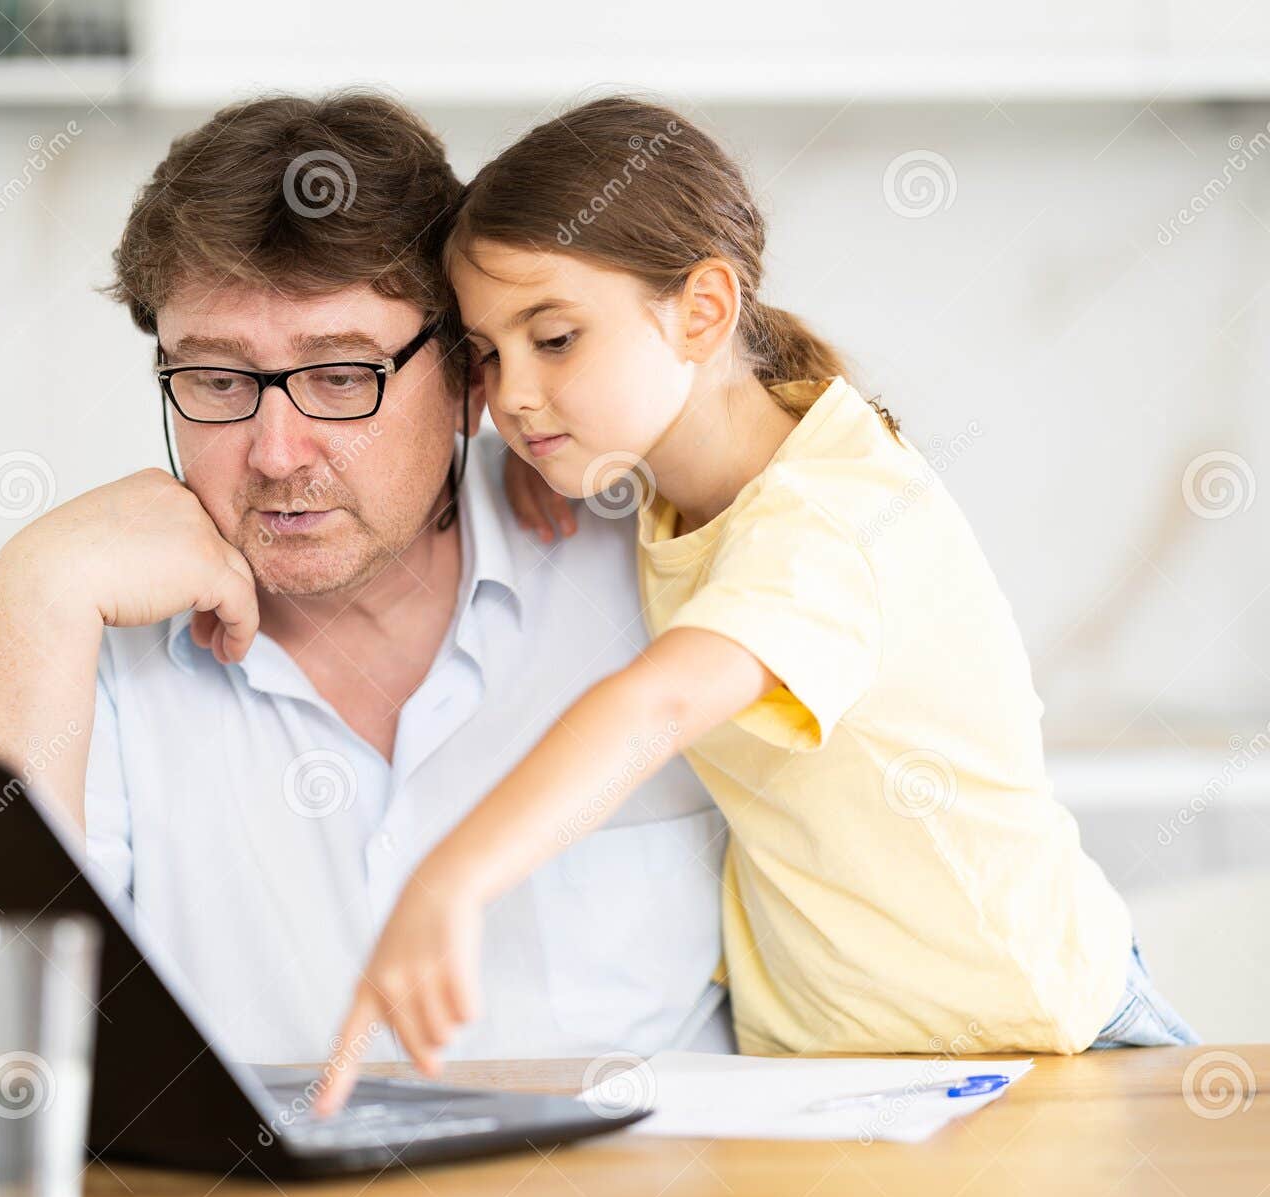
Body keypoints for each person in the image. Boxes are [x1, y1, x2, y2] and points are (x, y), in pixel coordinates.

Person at [316, 96, 1197, 1113]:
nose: (510, 395)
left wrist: (450, 880)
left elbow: (655, 705)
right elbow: (589, 423)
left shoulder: (826, 520)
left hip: (1032, 1046)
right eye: (488, 355)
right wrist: (557, 451)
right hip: (843, 1071)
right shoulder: (674, 464)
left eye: (553, 339)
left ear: (700, 311)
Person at [0, 92, 733, 1067]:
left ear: (471, 378)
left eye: (341, 375)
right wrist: (34, 584)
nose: (274, 451)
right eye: (216, 380)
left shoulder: (662, 554)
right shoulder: (59, 626)